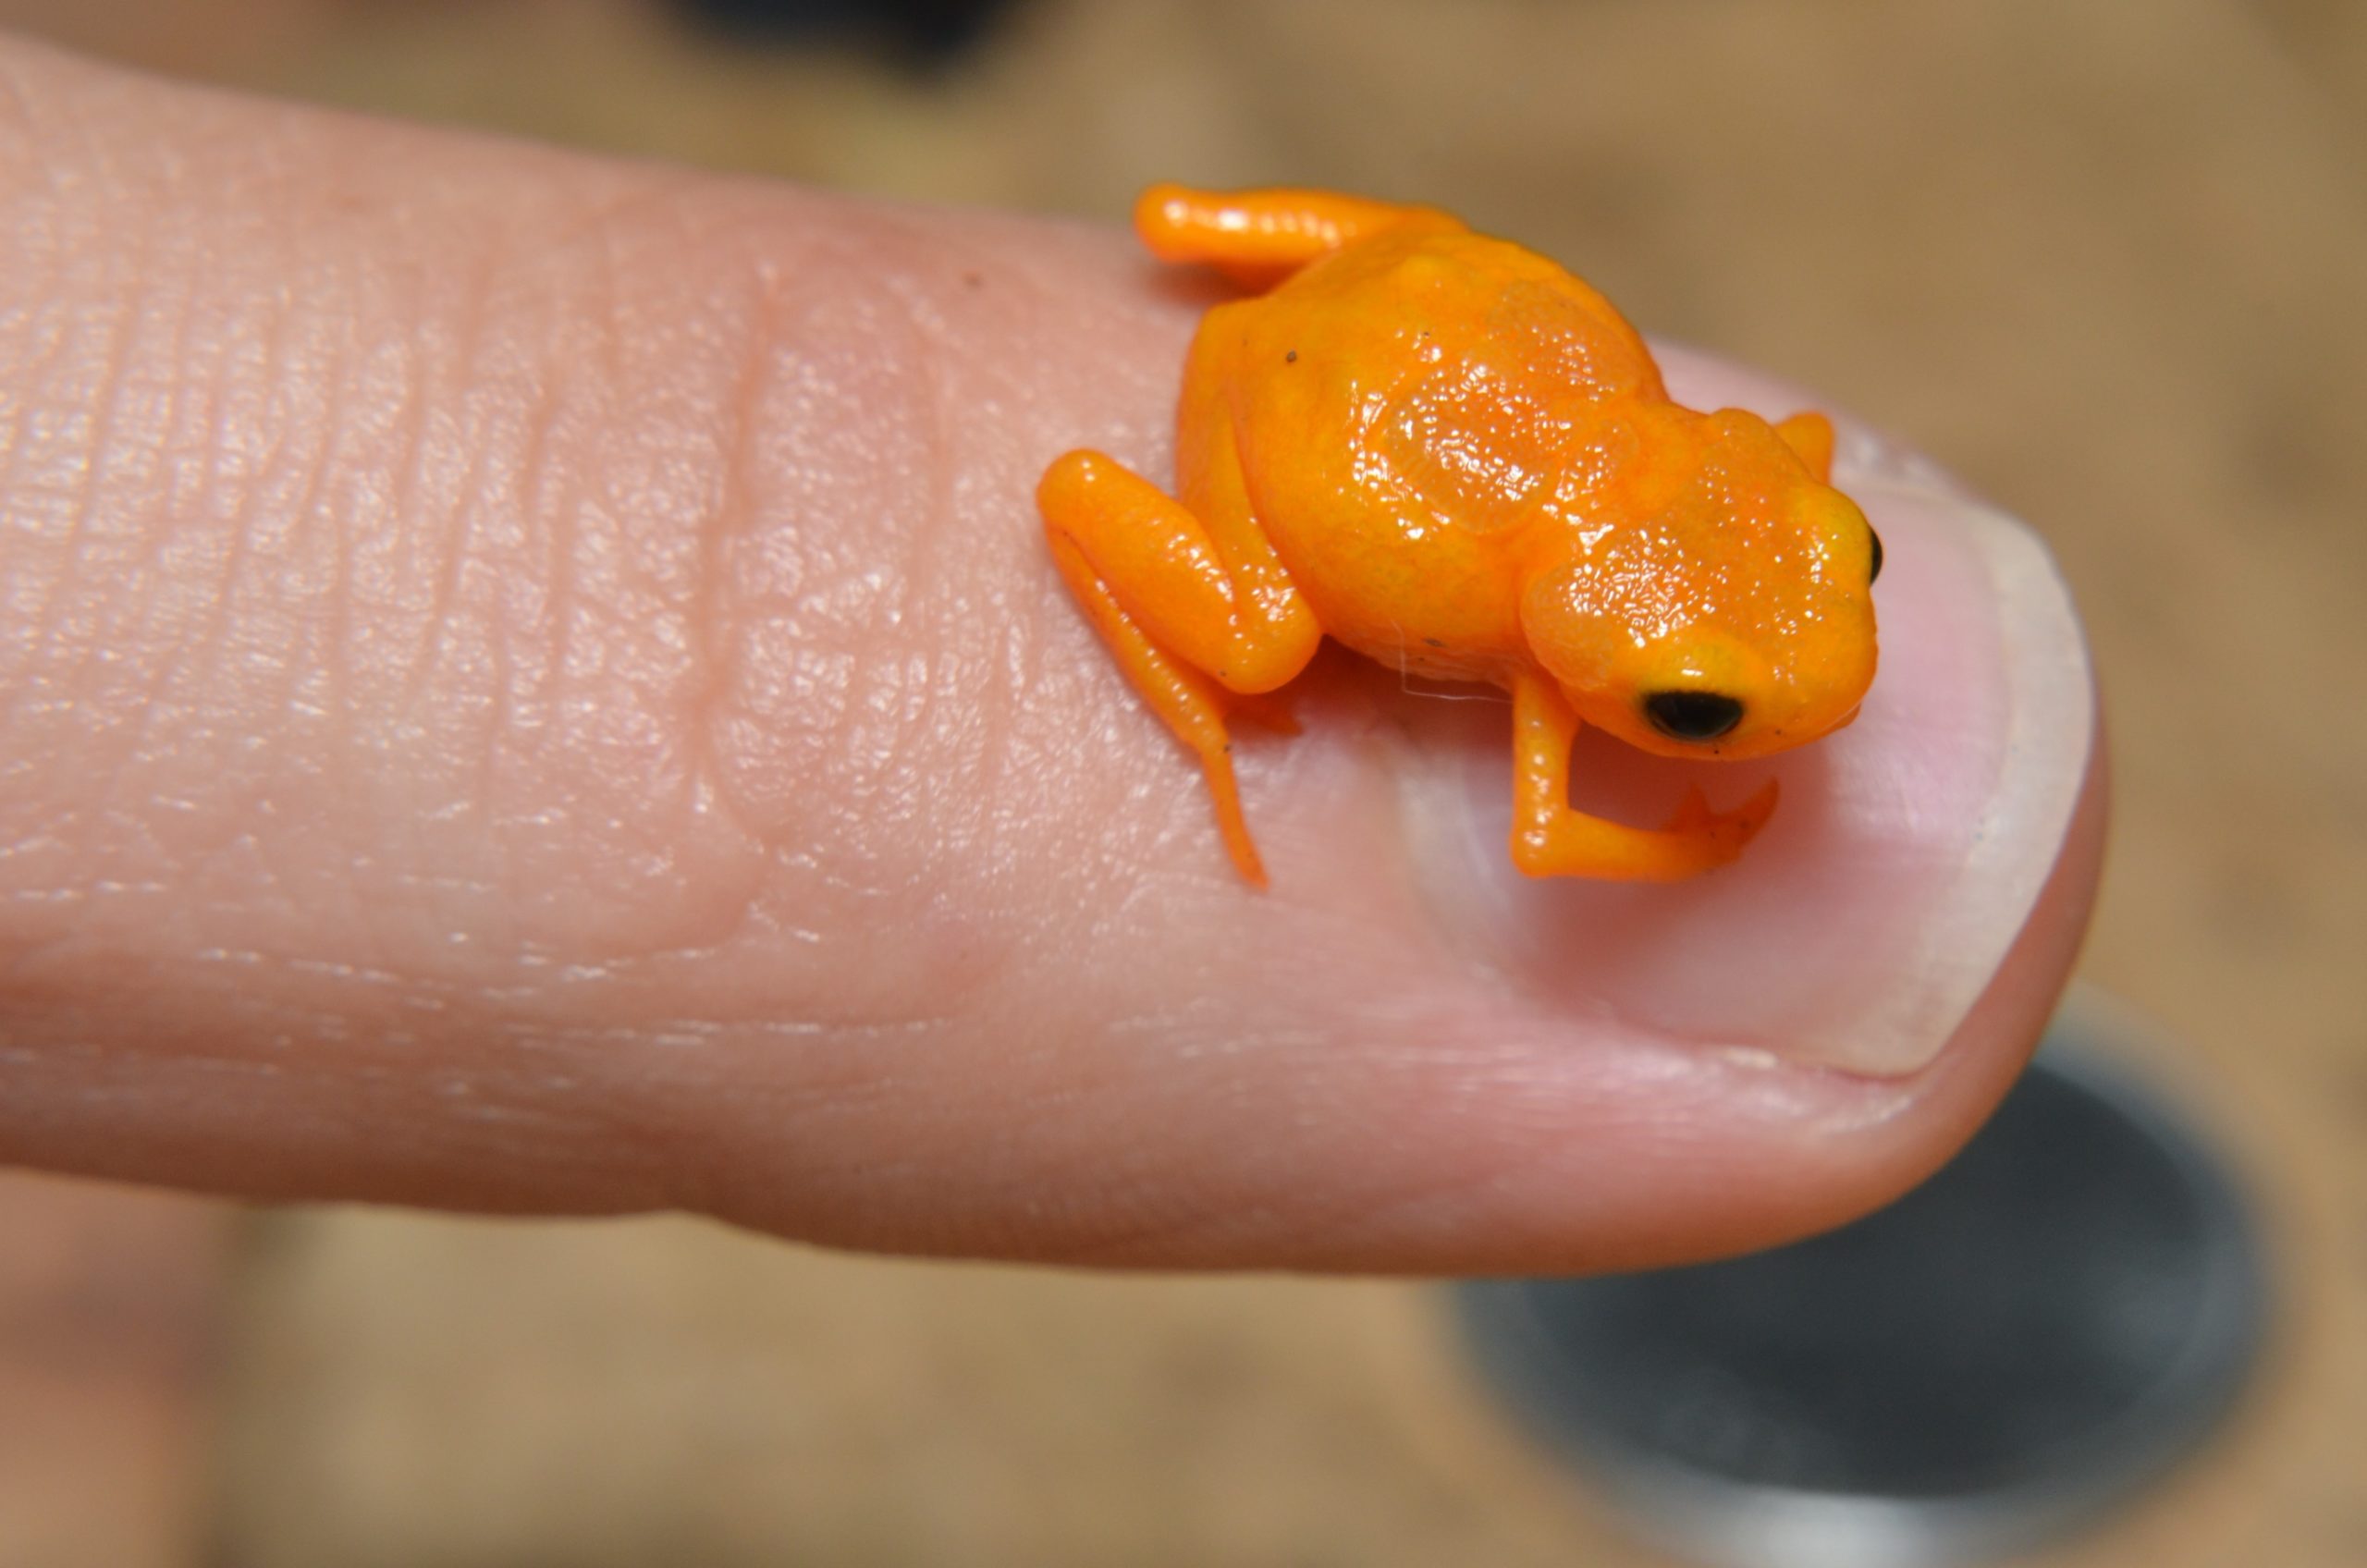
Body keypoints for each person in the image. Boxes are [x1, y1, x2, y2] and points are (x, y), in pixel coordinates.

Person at [0, 35, 2102, 1276]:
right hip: (1272, 433)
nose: (1785, 686)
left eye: (1829, 561)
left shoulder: (1698, 478)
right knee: (1268, 650)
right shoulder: (1568, 667)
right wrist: (1709, 838)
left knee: (1363, 358)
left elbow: (1668, 415)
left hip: (1371, 294)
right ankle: (1185, 627)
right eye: (1699, 710)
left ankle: (1200, 241)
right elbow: (1551, 841)